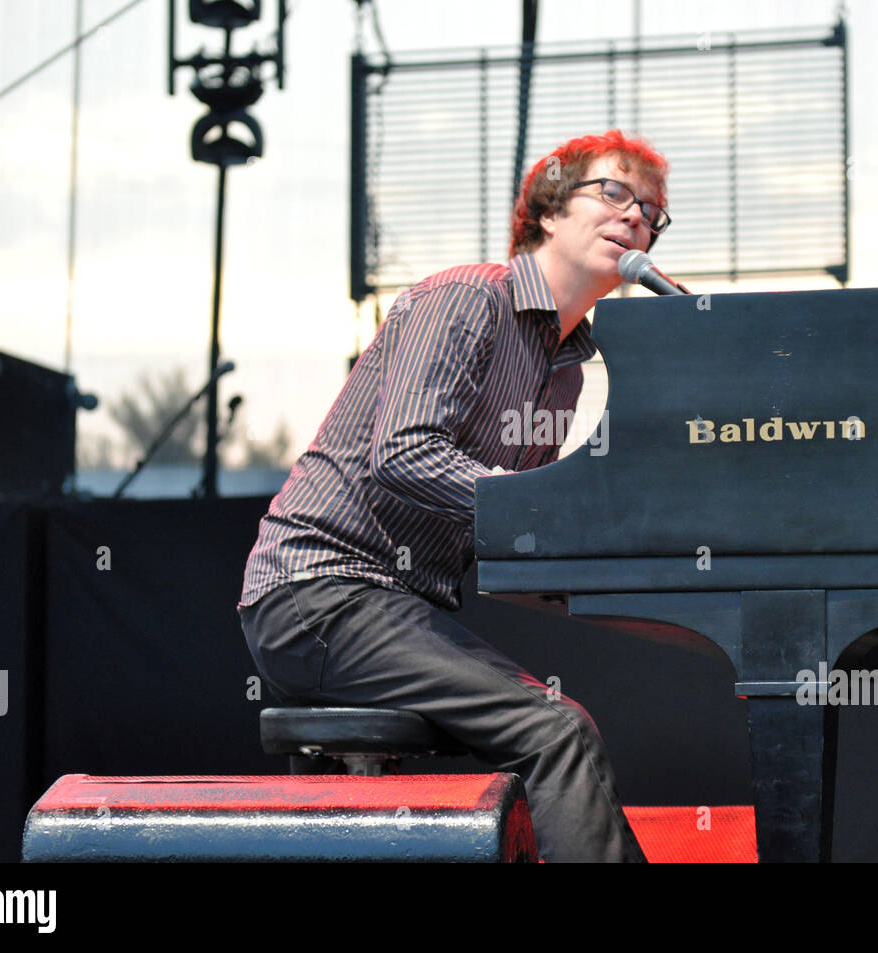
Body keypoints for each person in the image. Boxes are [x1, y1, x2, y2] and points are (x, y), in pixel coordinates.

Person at [237, 129, 671, 862]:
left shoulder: (566, 368)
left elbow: (509, 530)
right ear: (548, 212)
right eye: (614, 192)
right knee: (557, 730)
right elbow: (401, 452)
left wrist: (645, 585)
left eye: (653, 211)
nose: (637, 216)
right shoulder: (468, 297)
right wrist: (534, 503)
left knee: (562, 726)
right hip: (318, 595)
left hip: (390, 606)